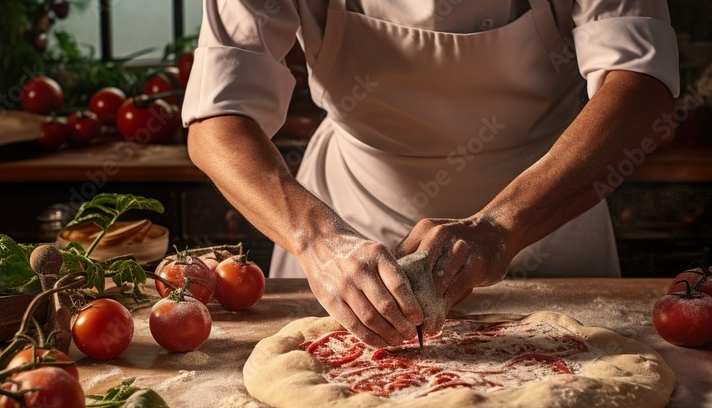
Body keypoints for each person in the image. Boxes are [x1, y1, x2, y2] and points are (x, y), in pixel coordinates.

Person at [182, 1, 679, 347]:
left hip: (546, 214)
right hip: (348, 212)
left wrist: (504, 227)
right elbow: (217, 120)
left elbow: (641, 91)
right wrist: (317, 239)